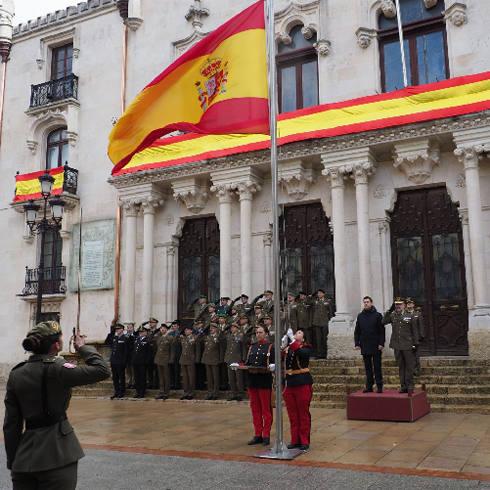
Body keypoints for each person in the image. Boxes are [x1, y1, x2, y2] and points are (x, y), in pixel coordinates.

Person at [3, 321, 110, 490]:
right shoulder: (59, 368)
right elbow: (102, 370)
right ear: (57, 345)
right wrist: (82, 347)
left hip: (24, 458)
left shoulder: (16, 374)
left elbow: (11, 425)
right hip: (58, 453)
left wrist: (14, 461)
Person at [282, 329, 313, 451]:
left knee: (303, 413)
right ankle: (295, 439)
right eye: (295, 332)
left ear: (303, 338)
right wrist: (283, 346)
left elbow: (302, 354)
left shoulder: (306, 347)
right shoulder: (290, 348)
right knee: (293, 414)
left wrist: (293, 341)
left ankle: (304, 440)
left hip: (302, 382)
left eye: (300, 332)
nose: (296, 334)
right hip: (289, 383)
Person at [245, 325, 274, 446]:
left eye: (260, 332)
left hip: (264, 381)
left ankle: (266, 434)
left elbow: (273, 362)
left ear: (266, 333)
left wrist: (273, 366)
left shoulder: (270, 347)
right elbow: (248, 362)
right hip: (253, 380)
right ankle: (258, 434)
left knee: (266, 410)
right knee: (255, 409)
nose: (258, 334)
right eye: (256, 332)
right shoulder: (252, 347)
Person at [383, 298, 419, 395]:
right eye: (396, 304)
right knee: (401, 367)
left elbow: (414, 331)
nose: (398, 306)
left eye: (400, 304)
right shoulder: (393, 315)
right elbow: (383, 321)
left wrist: (415, 344)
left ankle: (410, 386)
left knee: (409, 367)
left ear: (404, 305)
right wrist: (390, 310)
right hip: (397, 345)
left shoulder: (410, 315)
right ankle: (403, 386)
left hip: (408, 345)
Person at [354, 296, 385, 393]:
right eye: (364, 302)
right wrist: (357, 343)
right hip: (365, 345)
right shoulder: (360, 316)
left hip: (376, 345)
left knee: (377, 367)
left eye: (367, 302)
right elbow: (357, 331)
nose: (366, 304)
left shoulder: (378, 315)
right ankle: (369, 386)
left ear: (371, 303)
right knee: (367, 368)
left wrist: (381, 343)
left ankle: (379, 386)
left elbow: (382, 331)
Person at [107, 322, 130, 399]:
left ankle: (122, 392)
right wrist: (111, 331)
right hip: (114, 361)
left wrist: (124, 361)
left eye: (118, 329)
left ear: (122, 329)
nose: (117, 330)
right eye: (116, 329)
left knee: (121, 377)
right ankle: (116, 391)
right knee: (115, 377)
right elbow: (107, 342)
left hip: (121, 361)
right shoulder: (114, 338)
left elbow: (126, 351)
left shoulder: (125, 338)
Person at [308, 289, 332, 359]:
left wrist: (330, 321)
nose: (319, 294)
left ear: (323, 294)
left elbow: (330, 312)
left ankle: (325, 354)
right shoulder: (315, 301)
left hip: (325, 322)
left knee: (324, 339)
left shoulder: (327, 301)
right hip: (317, 323)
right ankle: (319, 354)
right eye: (318, 293)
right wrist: (311, 296)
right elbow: (307, 302)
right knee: (318, 339)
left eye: (320, 293)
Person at [224, 323, 246, 401]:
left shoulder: (240, 336)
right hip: (229, 358)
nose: (232, 329)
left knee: (238, 378)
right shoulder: (229, 336)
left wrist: (243, 358)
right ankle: (233, 393)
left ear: (237, 328)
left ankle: (240, 393)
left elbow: (243, 347)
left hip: (237, 359)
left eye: (234, 327)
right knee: (231, 378)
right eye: (231, 328)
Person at [201, 323, 221, 400]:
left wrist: (220, 359)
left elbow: (220, 349)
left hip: (214, 359)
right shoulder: (208, 337)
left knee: (215, 377)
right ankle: (210, 392)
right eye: (210, 328)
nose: (211, 329)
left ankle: (215, 393)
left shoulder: (218, 337)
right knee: (209, 377)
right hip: (207, 359)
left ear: (216, 329)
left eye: (213, 328)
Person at [154, 324, 174, 400]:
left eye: (163, 328)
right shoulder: (159, 338)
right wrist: (159, 333)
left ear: (167, 329)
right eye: (161, 328)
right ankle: (161, 391)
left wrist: (171, 359)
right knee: (161, 377)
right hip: (159, 359)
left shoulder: (170, 338)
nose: (162, 330)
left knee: (166, 377)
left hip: (166, 359)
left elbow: (172, 350)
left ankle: (166, 392)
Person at [132, 324, 153, 398]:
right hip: (136, 362)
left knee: (142, 377)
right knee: (137, 377)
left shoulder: (147, 340)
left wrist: (146, 362)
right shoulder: (137, 340)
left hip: (143, 362)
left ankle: (142, 392)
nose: (140, 333)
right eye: (140, 332)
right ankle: (137, 391)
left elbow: (149, 353)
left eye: (142, 332)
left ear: (145, 332)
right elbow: (134, 351)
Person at [406, 298, 425, 376]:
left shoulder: (417, 314)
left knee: (416, 355)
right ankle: (411, 370)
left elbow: (421, 326)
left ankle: (417, 370)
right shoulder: (404, 314)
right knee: (409, 356)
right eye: (408, 303)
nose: (409, 305)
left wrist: (421, 336)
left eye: (411, 303)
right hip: (407, 338)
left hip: (416, 338)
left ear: (413, 305)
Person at [180, 326, 197, 400]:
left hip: (190, 359)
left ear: (191, 331)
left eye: (187, 330)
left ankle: (191, 392)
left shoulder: (194, 338)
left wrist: (195, 359)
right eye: (185, 330)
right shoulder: (183, 338)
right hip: (183, 359)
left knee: (191, 377)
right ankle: (185, 392)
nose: (186, 331)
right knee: (185, 377)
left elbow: (196, 348)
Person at [169, 321, 182, 390]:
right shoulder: (170, 334)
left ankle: (177, 384)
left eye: (175, 326)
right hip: (171, 354)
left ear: (178, 326)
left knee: (177, 370)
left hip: (178, 354)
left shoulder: (180, 333)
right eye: (173, 326)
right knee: (172, 370)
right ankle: (172, 383)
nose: (174, 327)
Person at [125, 322, 136, 389]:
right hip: (127, 356)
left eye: (130, 328)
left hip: (133, 356)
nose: (129, 329)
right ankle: (129, 382)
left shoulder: (136, 335)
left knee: (133, 370)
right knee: (128, 371)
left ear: (133, 328)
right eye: (128, 328)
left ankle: (134, 383)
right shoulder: (125, 336)